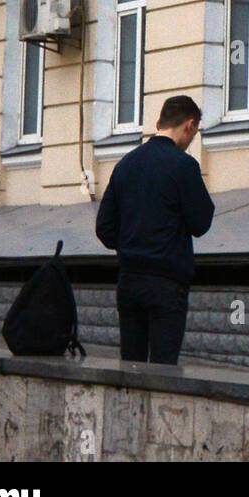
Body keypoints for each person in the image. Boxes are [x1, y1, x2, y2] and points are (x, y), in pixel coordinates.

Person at [95, 95, 215, 365]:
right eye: (193, 134)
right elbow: (201, 223)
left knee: (131, 366)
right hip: (167, 283)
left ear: (158, 122)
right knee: (163, 369)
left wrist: (131, 244)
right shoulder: (184, 166)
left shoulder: (125, 164)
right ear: (190, 125)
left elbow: (104, 228)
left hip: (129, 280)